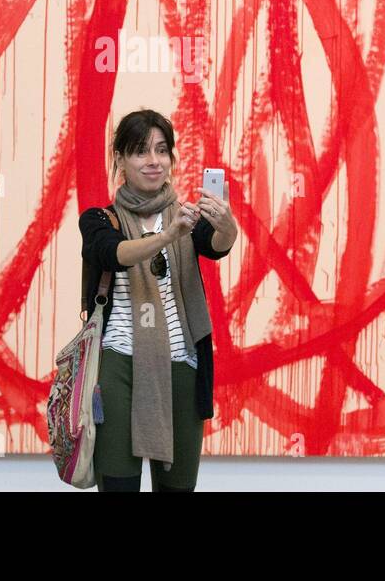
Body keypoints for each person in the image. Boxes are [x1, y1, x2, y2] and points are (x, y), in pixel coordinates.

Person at [77, 108, 237, 491]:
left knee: (179, 487)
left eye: (162, 151)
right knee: (118, 484)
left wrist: (227, 226)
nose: (153, 161)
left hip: (182, 364)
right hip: (117, 364)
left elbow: (215, 247)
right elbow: (115, 254)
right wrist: (167, 236)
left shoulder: (188, 217)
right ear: (120, 159)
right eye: (140, 151)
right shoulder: (99, 219)